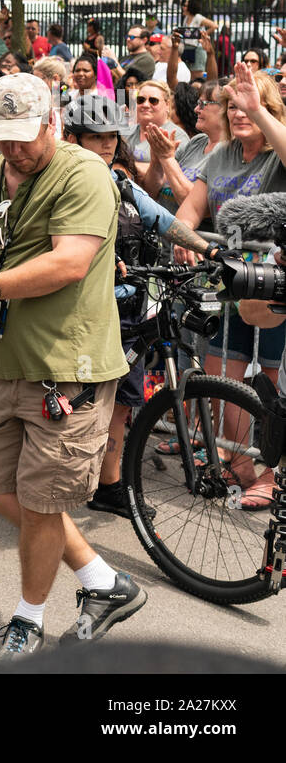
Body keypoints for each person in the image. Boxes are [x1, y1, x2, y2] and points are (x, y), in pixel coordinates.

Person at [0, 73, 145, 665]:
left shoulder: (84, 173)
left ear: (54, 123)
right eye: (4, 138)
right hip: (10, 361)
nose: (15, 149)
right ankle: (104, 582)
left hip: (69, 366)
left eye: (26, 136)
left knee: (45, 504)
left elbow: (70, 262)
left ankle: (29, 621)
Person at [60, 95, 214, 518]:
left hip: (128, 306)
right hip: (81, 309)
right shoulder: (60, 181)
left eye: (111, 136)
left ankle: (108, 485)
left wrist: (211, 252)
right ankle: (50, 482)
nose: (107, 144)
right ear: (73, 139)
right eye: (96, 137)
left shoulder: (121, 181)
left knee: (125, 398)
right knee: (76, 396)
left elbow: (163, 221)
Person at [175, 65, 286, 507]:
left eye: (250, 105)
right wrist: (189, 242)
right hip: (225, 282)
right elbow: (190, 211)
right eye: (234, 105)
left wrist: (260, 112)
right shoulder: (219, 155)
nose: (240, 112)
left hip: (270, 286)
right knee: (225, 378)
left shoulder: (275, 151)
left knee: (269, 381)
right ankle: (241, 463)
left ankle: (269, 472)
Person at [139, 77, 226, 212]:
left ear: (225, 108)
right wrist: (156, 161)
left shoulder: (230, 152)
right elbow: (151, 191)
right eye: (198, 103)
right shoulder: (197, 142)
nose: (196, 109)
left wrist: (167, 159)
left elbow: (195, 207)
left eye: (203, 104)